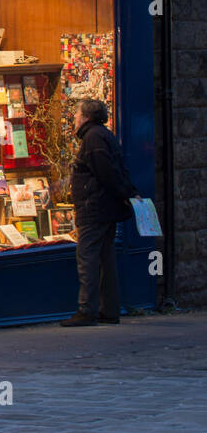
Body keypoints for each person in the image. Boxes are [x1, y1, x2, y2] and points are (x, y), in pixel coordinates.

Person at [61, 98, 137, 327]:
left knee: (88, 258)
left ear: (85, 117)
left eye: (76, 115)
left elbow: (106, 173)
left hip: (94, 208)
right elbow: (113, 170)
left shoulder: (93, 138)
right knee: (105, 258)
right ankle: (109, 310)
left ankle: (87, 309)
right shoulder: (102, 135)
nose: (74, 119)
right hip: (103, 207)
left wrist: (125, 192)